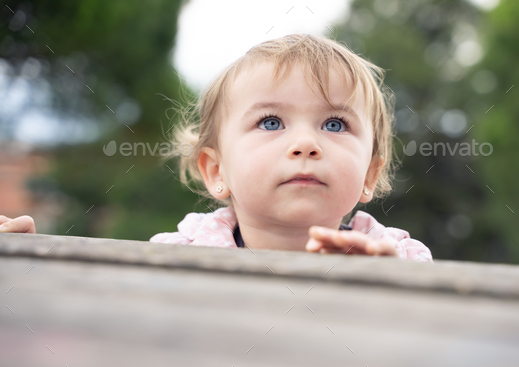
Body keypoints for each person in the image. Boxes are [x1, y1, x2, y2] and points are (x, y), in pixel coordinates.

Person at [0, 34, 433, 262]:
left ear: (371, 174)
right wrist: (30, 263)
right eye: (270, 122)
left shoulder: (399, 257)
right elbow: (95, 319)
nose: (305, 144)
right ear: (215, 171)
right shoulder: (175, 257)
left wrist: (385, 282)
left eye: (335, 124)